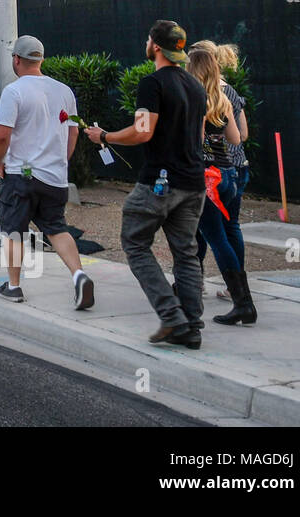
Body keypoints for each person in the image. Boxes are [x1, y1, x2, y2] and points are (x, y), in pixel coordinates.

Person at [83, 20, 207, 349]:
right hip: (194, 182)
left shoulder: (152, 83)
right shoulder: (196, 86)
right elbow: (200, 136)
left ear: (154, 46)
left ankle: (172, 317)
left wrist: (104, 136)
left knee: (135, 243)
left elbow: (142, 131)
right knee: (186, 253)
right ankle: (192, 327)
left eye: (149, 38)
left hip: (160, 182)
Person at [0, 35, 93, 309]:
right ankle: (79, 275)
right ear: (41, 59)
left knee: (14, 230)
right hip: (54, 176)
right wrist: (61, 160)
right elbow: (73, 131)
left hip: (21, 175)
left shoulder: (15, 91)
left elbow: (2, 135)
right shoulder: (64, 91)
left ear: (16, 60)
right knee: (56, 228)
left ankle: (13, 285)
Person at [187, 45, 253, 325]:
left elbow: (195, 141)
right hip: (228, 174)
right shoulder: (224, 100)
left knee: (213, 237)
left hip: (206, 177)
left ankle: (243, 304)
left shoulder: (196, 100)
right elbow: (238, 139)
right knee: (222, 233)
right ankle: (241, 298)